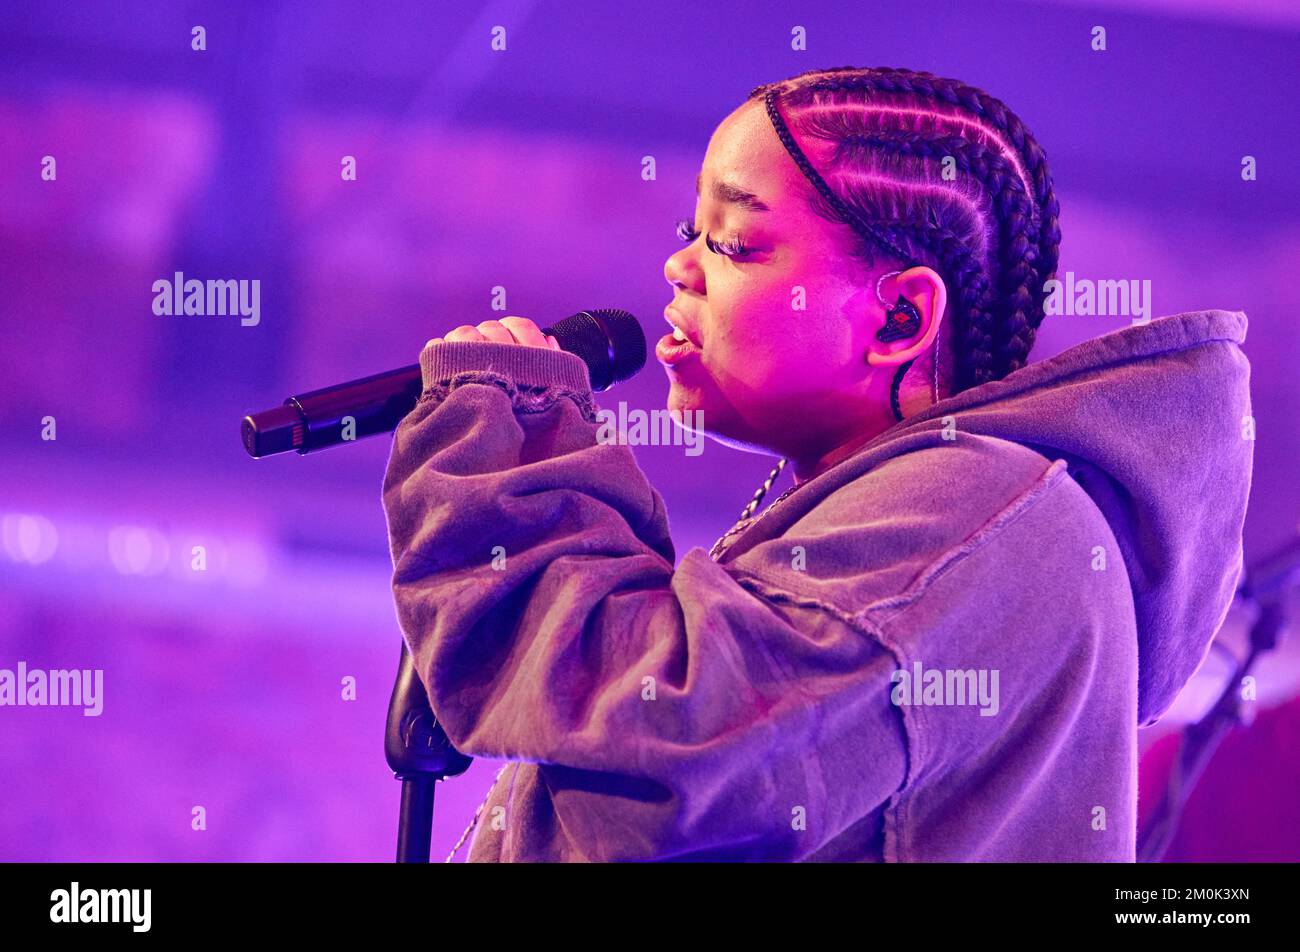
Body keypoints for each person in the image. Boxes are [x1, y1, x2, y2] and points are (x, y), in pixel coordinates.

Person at [381, 66, 1253, 861]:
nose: (678, 265)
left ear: (900, 321)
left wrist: (514, 452)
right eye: (695, 230)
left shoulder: (977, 510)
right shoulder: (931, 505)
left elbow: (662, 760)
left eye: (731, 244)